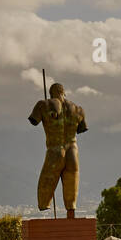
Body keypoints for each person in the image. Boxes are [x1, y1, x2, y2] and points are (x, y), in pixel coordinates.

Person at [28, 83, 87, 218]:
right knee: (72, 180)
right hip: (73, 150)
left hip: (55, 149)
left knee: (47, 180)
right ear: (64, 93)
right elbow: (81, 128)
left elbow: (34, 120)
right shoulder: (78, 109)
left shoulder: (44, 105)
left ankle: (44, 205)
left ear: (51, 93)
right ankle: (71, 208)